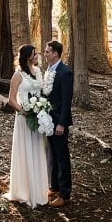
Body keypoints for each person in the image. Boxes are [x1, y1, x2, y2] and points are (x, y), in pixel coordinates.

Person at [5, 44, 50, 207]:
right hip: (24, 119)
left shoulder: (38, 72)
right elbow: (11, 99)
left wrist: (41, 109)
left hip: (37, 117)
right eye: (34, 54)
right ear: (26, 57)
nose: (37, 55)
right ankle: (24, 190)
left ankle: (38, 190)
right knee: (25, 150)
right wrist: (24, 112)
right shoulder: (18, 75)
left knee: (37, 150)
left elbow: (42, 92)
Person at [42, 40, 74, 207]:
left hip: (59, 122)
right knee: (52, 155)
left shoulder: (65, 72)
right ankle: (54, 187)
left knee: (62, 156)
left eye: (47, 52)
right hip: (48, 120)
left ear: (55, 54)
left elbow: (67, 100)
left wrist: (61, 124)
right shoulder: (48, 70)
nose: (45, 54)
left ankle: (65, 193)